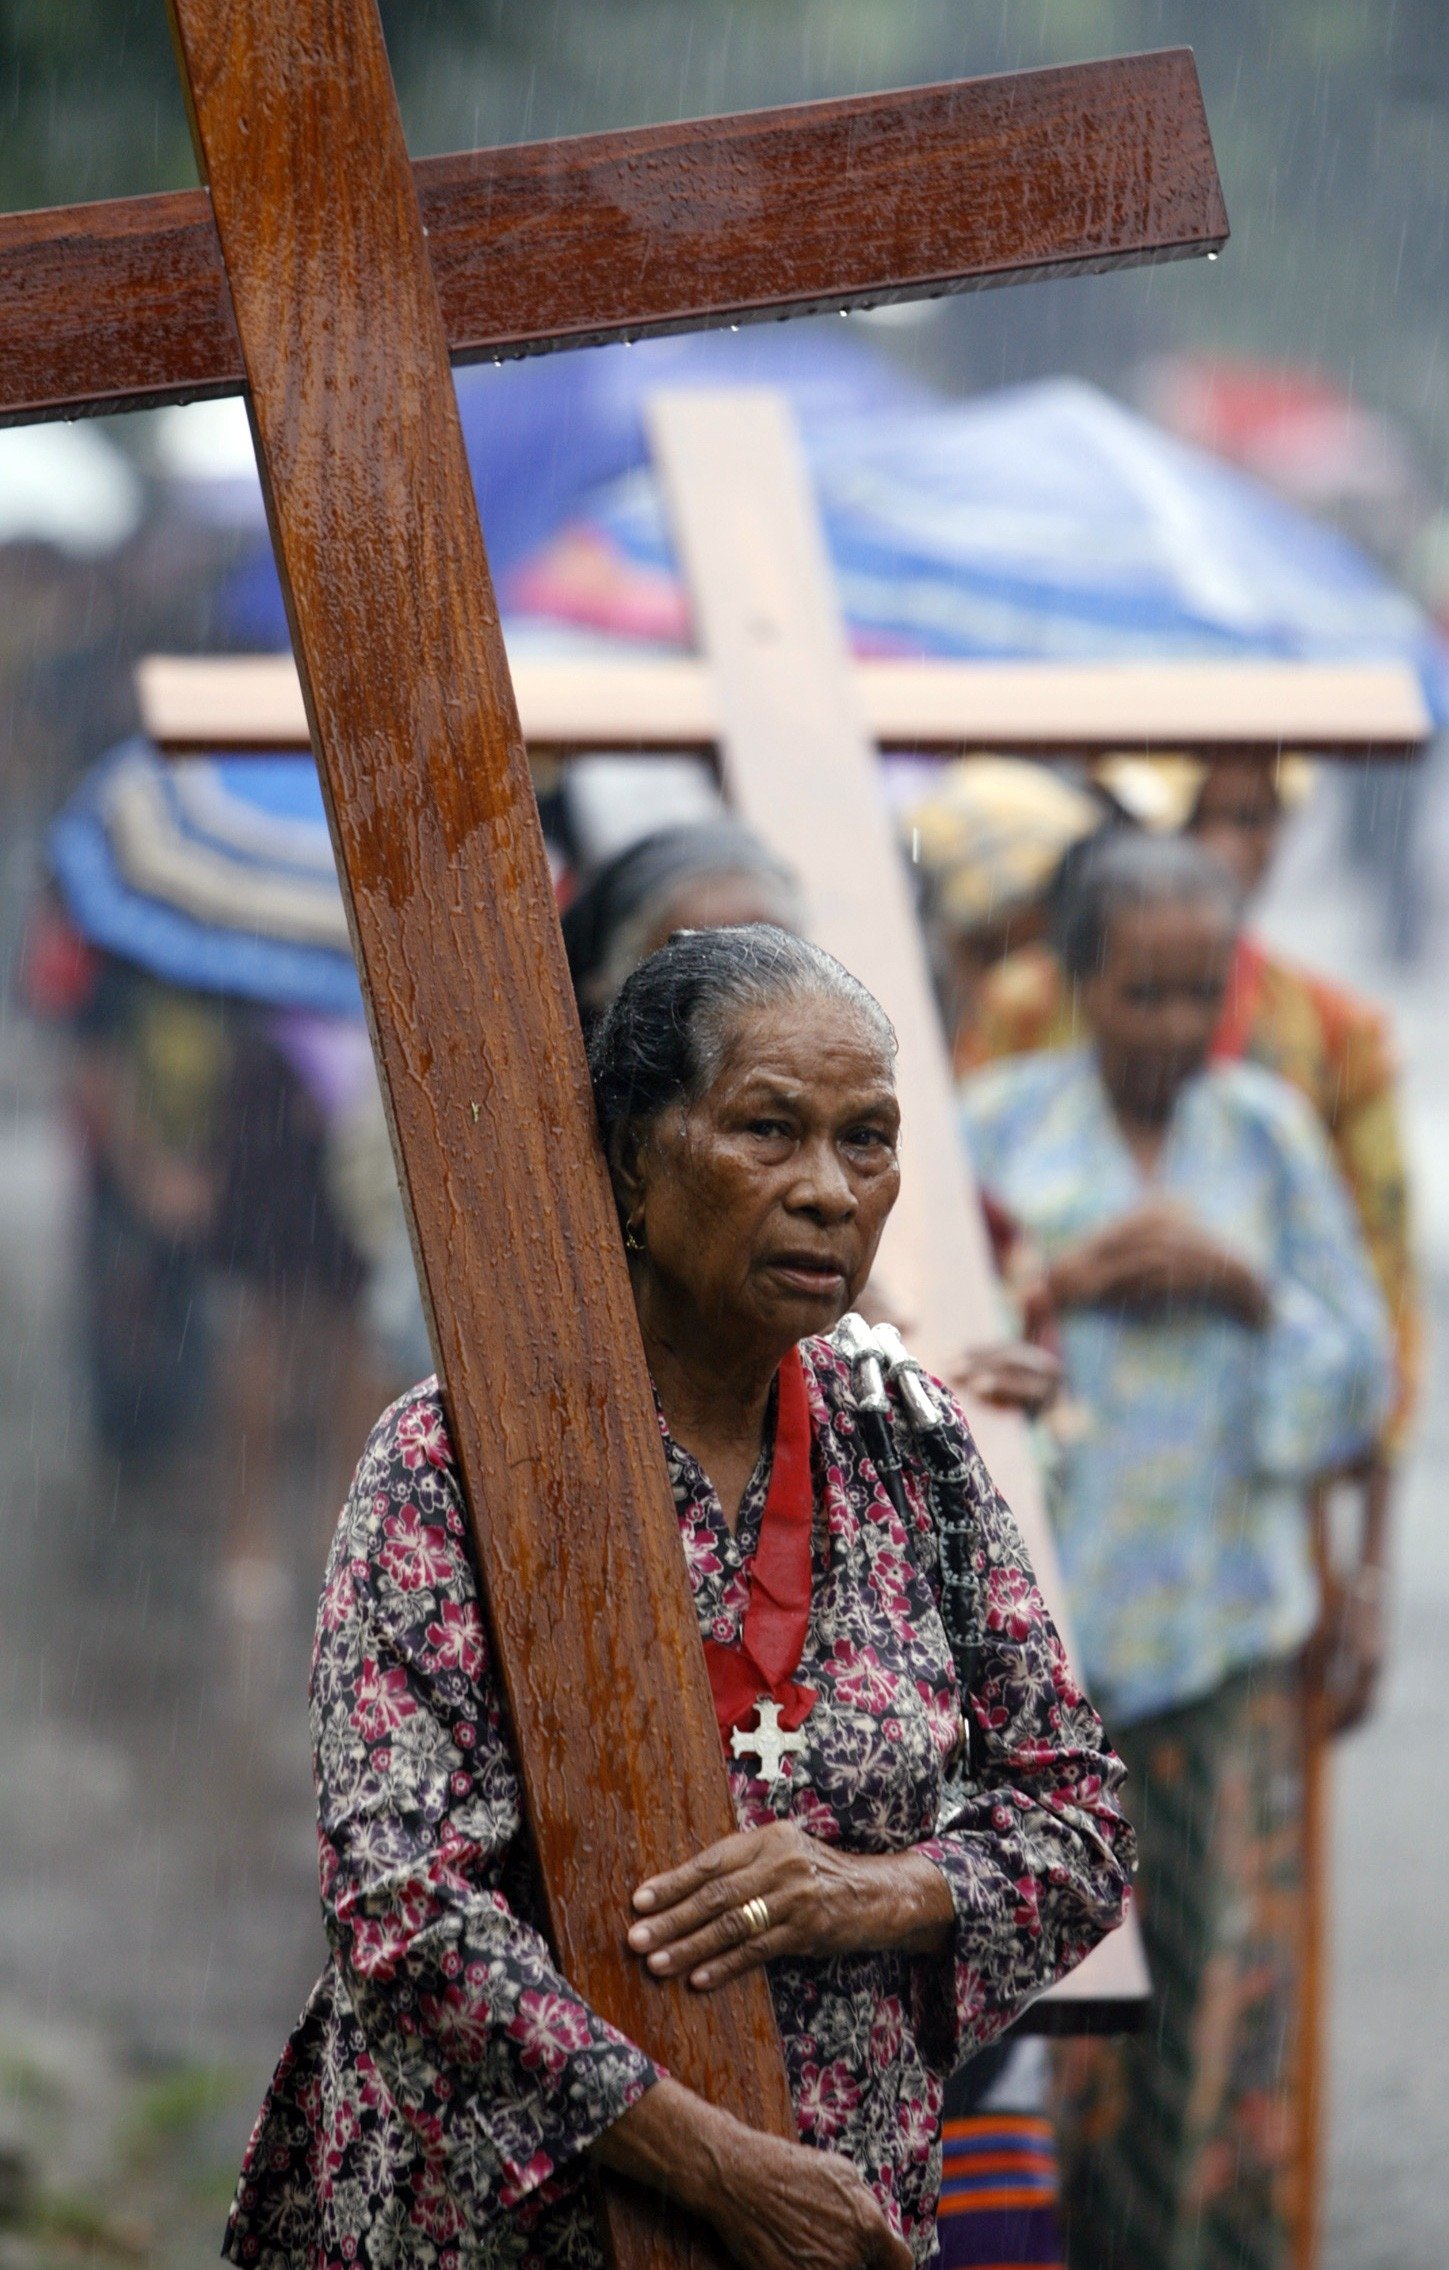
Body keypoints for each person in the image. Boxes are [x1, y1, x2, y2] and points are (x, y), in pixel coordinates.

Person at [222, 924, 1133, 2270]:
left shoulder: (909, 1438)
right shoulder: (461, 1459)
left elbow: (1082, 1823)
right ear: (634, 1165)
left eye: (867, 1140)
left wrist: (871, 1891)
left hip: (833, 2214)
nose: (827, 1190)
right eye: (768, 1129)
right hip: (515, 2224)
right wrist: (721, 2170)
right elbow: (401, 1905)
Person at [958, 835, 1392, 2270]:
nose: (1172, 1026)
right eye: (1142, 991)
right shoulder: (994, 1127)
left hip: (1217, 1648)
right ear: (1081, 981)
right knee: (1039, 2014)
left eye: (1199, 993)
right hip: (1039, 1667)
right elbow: (923, 1358)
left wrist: (1244, 1291)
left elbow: (1363, 1380)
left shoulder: (1264, 1133)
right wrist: (1057, 1287)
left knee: (1207, 2004)